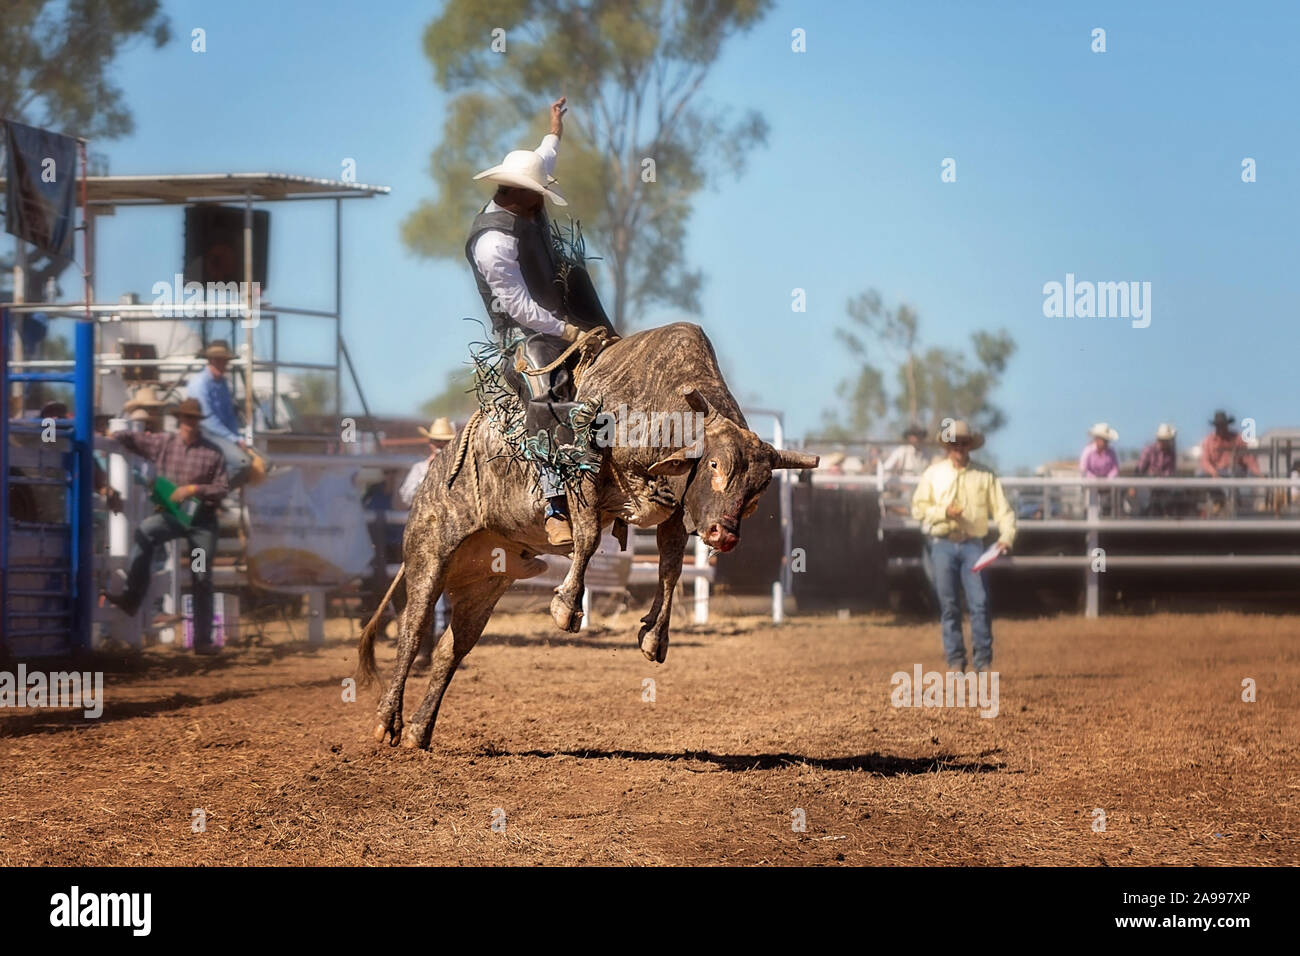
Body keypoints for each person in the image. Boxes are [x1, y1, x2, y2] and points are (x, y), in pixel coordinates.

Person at [465, 96, 615, 547]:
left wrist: (554, 127)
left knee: (581, 281)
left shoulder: (523, 199)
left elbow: (545, 154)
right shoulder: (492, 242)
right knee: (542, 386)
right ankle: (554, 502)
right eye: (538, 194)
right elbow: (518, 306)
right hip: (520, 333)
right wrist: (570, 332)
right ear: (516, 192)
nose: (542, 201)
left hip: (559, 310)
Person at [102, 399, 228, 655]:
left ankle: (202, 639)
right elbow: (134, 438)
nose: (189, 424)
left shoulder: (212, 452)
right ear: (179, 420)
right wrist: (112, 434)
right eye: (185, 419)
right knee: (146, 531)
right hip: (173, 516)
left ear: (197, 422)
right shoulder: (164, 443)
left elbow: (222, 488)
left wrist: (193, 489)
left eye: (192, 419)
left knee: (200, 574)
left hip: (200, 522)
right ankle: (132, 597)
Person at [911, 420, 1017, 673]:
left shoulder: (985, 475)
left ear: (970, 445)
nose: (959, 447)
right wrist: (943, 512)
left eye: (963, 442)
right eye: (954, 443)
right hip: (943, 543)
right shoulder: (933, 474)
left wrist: (1006, 536)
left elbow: (1003, 510)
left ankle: (983, 661)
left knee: (979, 602)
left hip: (973, 545)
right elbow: (918, 508)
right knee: (949, 604)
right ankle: (956, 660)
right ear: (948, 446)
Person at [397, 418, 456, 669]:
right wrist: (429, 476)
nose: (440, 446)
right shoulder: (420, 469)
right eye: (437, 442)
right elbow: (406, 495)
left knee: (449, 596)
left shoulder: (459, 471)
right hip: (425, 541)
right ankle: (423, 651)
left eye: (445, 443)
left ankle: (445, 652)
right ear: (430, 443)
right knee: (425, 595)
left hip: (451, 538)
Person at [186, 340, 254, 489]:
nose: (223, 364)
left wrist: (237, 438)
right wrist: (234, 439)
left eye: (224, 360)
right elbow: (207, 418)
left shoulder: (222, 383)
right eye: (219, 360)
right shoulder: (200, 383)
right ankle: (211, 493)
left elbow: (229, 415)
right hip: (204, 432)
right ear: (211, 360)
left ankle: (215, 492)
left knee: (263, 463)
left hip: (219, 433)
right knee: (243, 464)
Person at [1200, 410, 1261, 514]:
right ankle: (1219, 502)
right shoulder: (1209, 441)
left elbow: (1247, 458)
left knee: (1237, 482)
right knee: (1201, 477)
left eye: (1223, 425)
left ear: (1227, 425)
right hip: (1217, 473)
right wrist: (1214, 472)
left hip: (1235, 472)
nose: (1221, 428)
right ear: (1216, 427)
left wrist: (1258, 473)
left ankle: (1234, 504)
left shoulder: (1237, 439)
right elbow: (1205, 461)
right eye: (1219, 426)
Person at [398, 417, 456, 508]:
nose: (441, 444)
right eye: (437, 440)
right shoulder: (419, 468)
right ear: (430, 442)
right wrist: (426, 474)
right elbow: (407, 497)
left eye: (446, 441)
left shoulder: (459, 467)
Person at [1134, 423, 1178, 515]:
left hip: (1164, 486)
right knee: (1145, 504)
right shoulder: (1149, 450)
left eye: (1167, 440)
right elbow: (1139, 470)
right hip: (1148, 486)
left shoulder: (1171, 453)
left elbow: (1170, 472)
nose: (1166, 442)